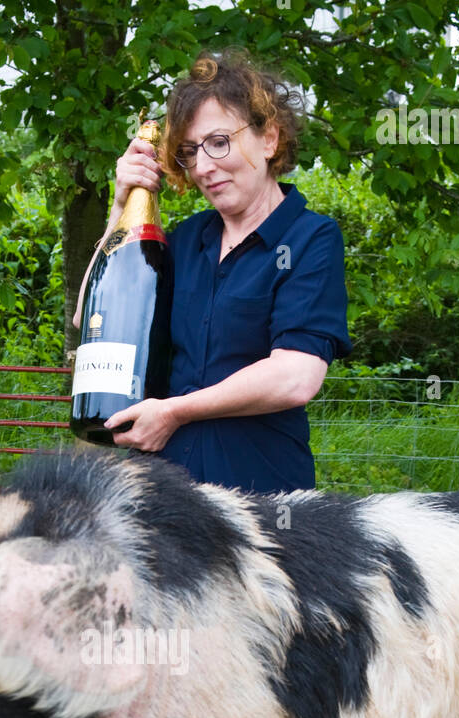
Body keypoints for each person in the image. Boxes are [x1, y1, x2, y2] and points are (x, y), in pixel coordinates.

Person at [72, 49, 353, 493]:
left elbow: (295, 376)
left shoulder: (310, 239)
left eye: (218, 142)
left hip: (262, 502)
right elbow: (93, 321)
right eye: (188, 152)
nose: (203, 167)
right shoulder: (182, 242)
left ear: (269, 139)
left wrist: (174, 411)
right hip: (163, 497)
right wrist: (120, 204)